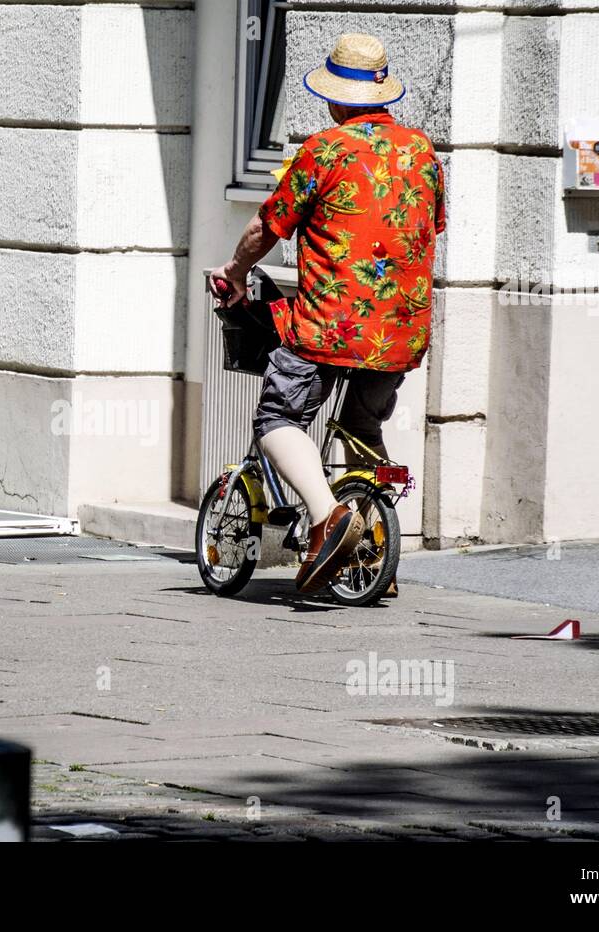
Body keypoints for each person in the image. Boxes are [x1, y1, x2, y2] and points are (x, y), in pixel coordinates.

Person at [210, 32, 445, 594]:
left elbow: (267, 227)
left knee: (277, 420)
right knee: (363, 427)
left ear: (336, 98)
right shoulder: (421, 151)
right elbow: (428, 227)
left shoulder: (323, 151)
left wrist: (236, 273)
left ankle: (326, 518)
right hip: (399, 332)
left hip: (327, 326)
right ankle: (374, 558)